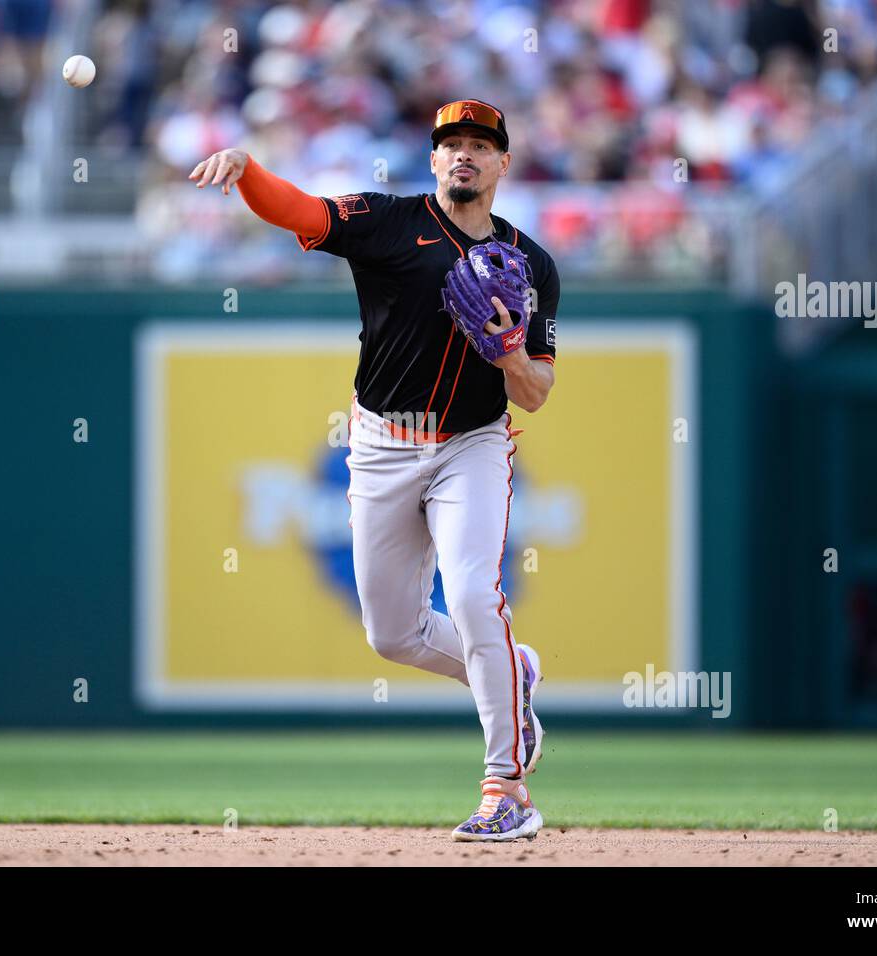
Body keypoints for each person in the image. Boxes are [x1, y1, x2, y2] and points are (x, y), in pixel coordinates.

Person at [191, 99, 560, 841]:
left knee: (472, 597)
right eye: (452, 143)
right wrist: (249, 170)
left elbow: (536, 393)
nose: (465, 154)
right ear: (433, 160)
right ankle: (510, 674)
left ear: (502, 164)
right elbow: (304, 211)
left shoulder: (532, 264)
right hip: (383, 443)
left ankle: (506, 789)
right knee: (392, 635)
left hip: (472, 445)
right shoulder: (391, 222)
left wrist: (509, 347)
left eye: (480, 145)